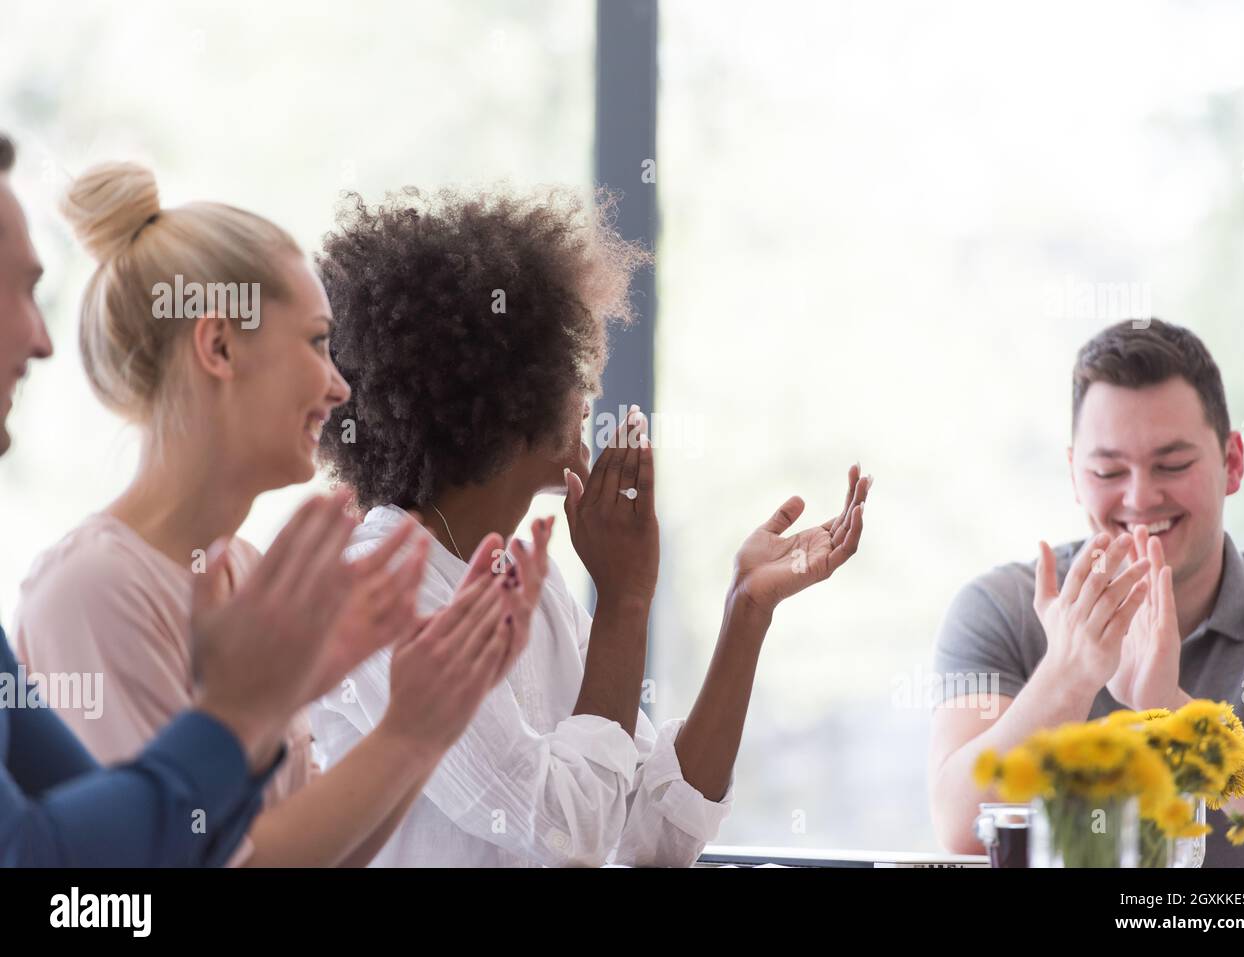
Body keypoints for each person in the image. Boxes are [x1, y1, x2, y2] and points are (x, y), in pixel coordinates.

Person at [311, 185, 869, 866]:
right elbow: (563, 828)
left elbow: (654, 835)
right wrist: (625, 601)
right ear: (504, 395)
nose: (590, 394)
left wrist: (745, 611)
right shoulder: (376, 594)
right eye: (572, 366)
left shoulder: (528, 589)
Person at [14, 160, 546, 866]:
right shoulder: (91, 591)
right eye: (317, 342)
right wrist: (411, 731)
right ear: (220, 346)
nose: (338, 384)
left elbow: (318, 851)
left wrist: (433, 716)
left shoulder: (244, 568)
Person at [929, 318, 1244, 866]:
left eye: (1172, 465)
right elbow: (962, 827)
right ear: (1075, 474)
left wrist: (1171, 710)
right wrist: (1068, 675)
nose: (1141, 497)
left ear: (1233, 462)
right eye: (1107, 471)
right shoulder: (999, 610)